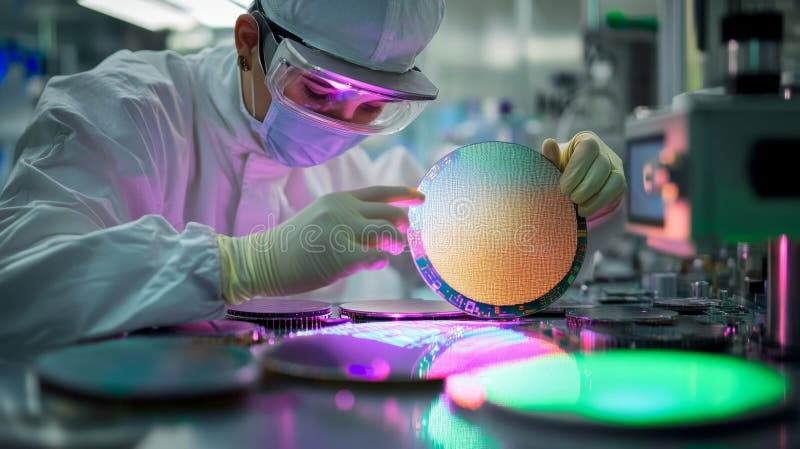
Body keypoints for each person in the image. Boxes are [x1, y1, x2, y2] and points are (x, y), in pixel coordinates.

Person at [0, 0, 625, 351]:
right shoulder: (124, 113)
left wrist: (556, 210)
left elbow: (473, 262)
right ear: (250, 42)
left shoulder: (353, 172)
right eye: (319, 91)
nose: (341, 126)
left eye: (372, 106)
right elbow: (17, 287)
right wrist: (244, 265)